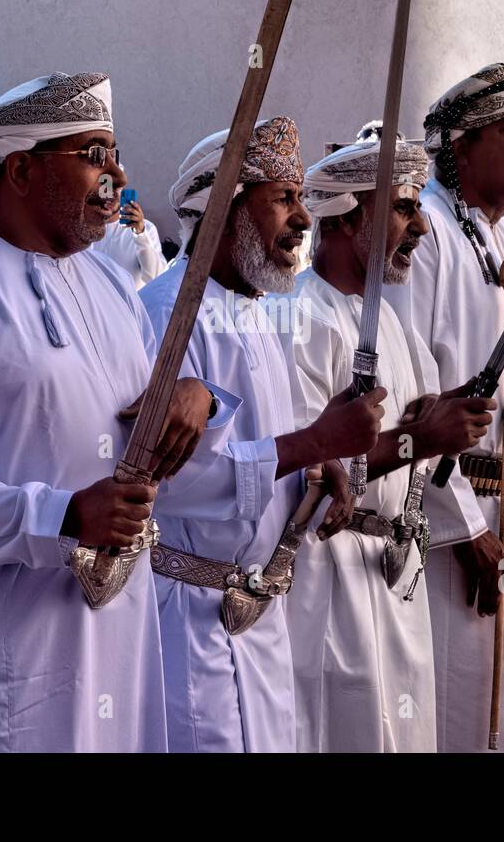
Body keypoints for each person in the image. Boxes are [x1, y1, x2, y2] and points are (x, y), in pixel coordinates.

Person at [0, 73, 227, 751]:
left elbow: (143, 421)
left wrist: (195, 397)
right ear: (21, 169)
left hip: (123, 633)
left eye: (114, 153)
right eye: (94, 154)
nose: (117, 175)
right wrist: (62, 515)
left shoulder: (108, 281)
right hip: (11, 650)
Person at [139, 117, 384, 752]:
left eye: (300, 198)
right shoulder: (166, 317)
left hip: (261, 618)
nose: (303, 218)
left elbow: (263, 449)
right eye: (282, 198)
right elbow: (170, 487)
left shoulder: (256, 311)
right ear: (221, 207)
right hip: (188, 620)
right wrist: (316, 444)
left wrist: (309, 467)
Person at [286, 127, 496, 752]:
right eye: (404, 209)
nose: (422, 228)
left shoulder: (397, 328)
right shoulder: (303, 318)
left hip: (397, 581)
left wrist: (442, 420)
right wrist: (417, 440)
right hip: (329, 580)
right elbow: (308, 472)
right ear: (349, 219)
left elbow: (417, 445)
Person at [386, 62, 504, 751]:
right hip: (455, 532)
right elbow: (411, 396)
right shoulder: (423, 235)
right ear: (462, 147)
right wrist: (464, 527)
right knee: (460, 710)